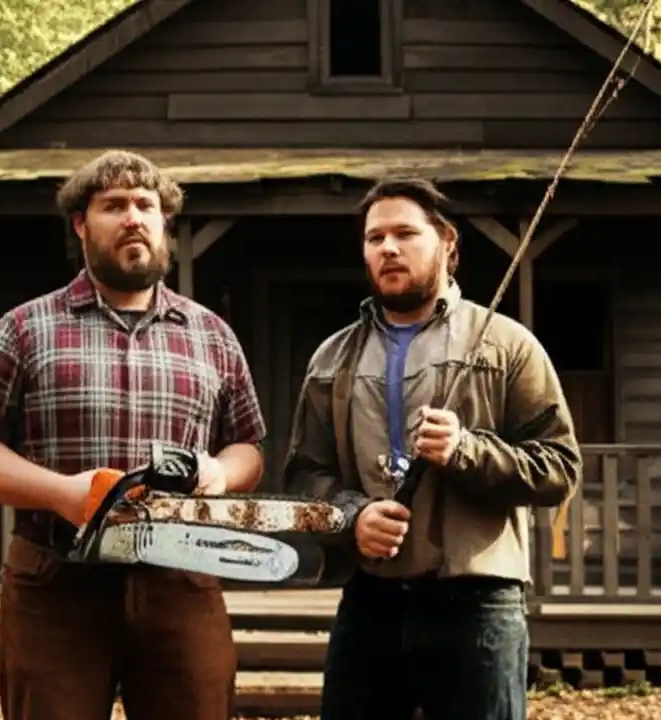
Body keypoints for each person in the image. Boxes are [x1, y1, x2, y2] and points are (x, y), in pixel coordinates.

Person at [0, 149, 266, 720]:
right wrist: (64, 493)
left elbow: (248, 447)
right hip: (55, 583)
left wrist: (220, 472)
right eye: (113, 205)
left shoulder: (212, 335)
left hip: (181, 578)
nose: (133, 217)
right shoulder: (24, 328)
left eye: (146, 205)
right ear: (81, 223)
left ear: (164, 222)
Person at [282, 177, 582, 719]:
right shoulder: (331, 359)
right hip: (370, 602)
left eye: (405, 234)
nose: (388, 248)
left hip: (479, 602)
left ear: (448, 243)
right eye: (375, 238)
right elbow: (305, 476)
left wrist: (466, 450)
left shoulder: (507, 344)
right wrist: (355, 516)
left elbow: (559, 468)